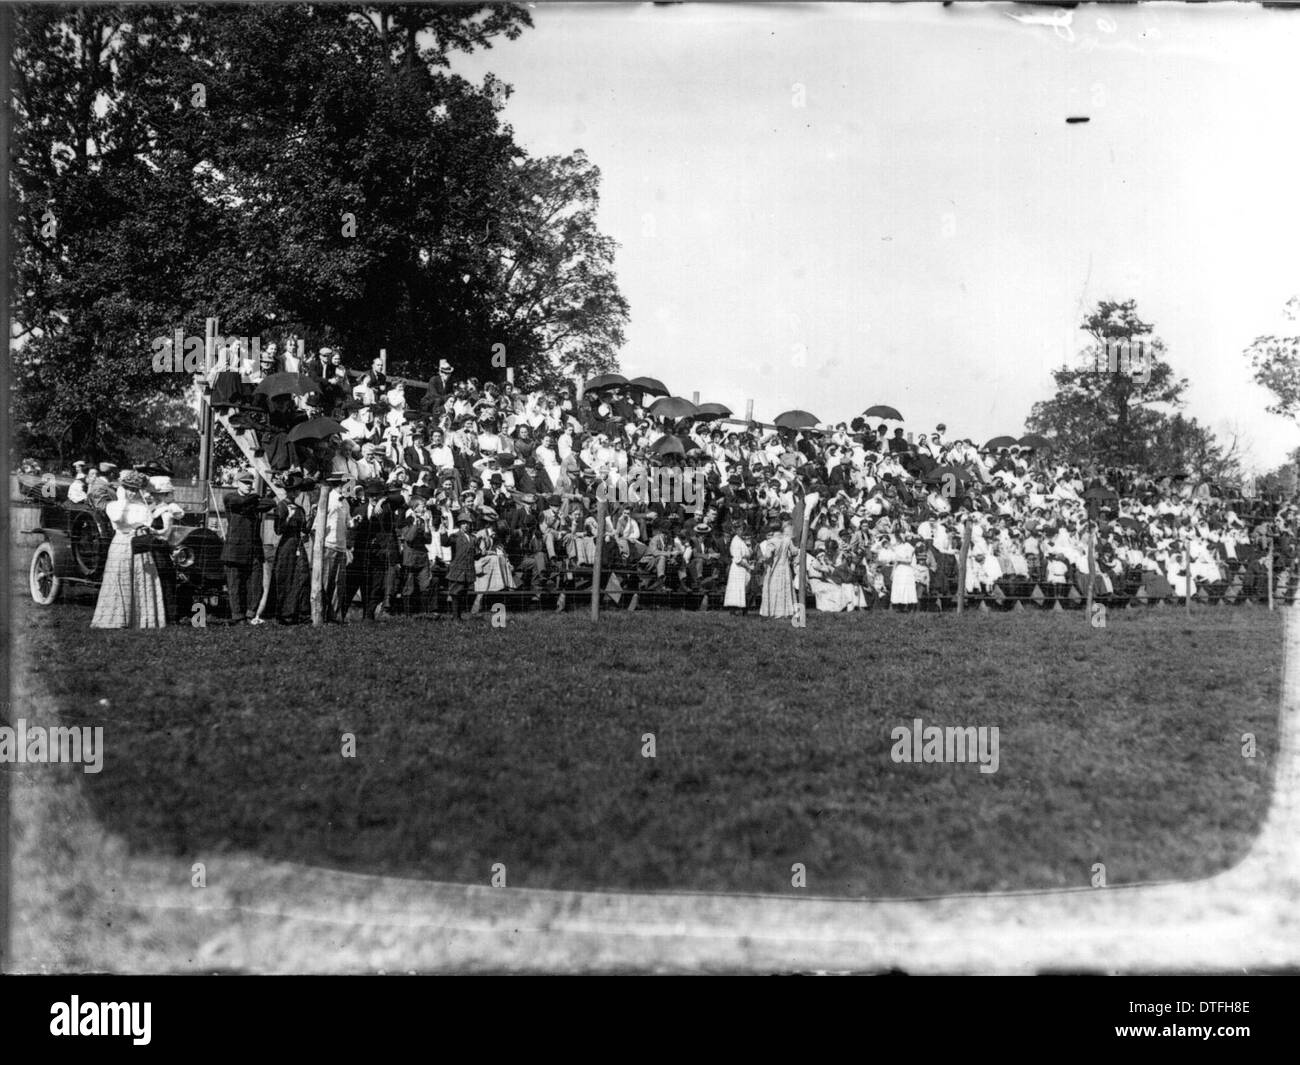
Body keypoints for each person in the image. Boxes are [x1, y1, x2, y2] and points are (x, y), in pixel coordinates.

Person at [91, 469, 168, 629]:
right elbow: (118, 518)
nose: (132, 493)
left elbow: (147, 523)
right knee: (119, 580)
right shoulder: (114, 506)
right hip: (121, 544)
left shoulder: (142, 507)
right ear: (122, 488)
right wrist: (123, 498)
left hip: (140, 547)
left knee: (142, 579)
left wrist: (148, 528)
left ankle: (141, 619)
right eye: (128, 489)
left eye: (134, 490)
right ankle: (117, 619)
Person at [222, 470, 275, 624]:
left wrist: (255, 500)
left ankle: (250, 614)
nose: (248, 486)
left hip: (253, 550)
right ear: (237, 484)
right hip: (234, 550)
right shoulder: (230, 498)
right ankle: (238, 617)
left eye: (250, 483)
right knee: (235, 585)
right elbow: (239, 502)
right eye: (245, 483)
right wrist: (256, 499)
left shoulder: (253, 501)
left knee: (255, 584)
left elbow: (270, 503)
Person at [269, 473, 314, 624]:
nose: (297, 492)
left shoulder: (300, 508)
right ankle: (284, 614)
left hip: (298, 544)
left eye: (298, 490)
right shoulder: (281, 506)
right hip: (286, 546)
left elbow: (304, 530)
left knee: (302, 577)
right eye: (294, 490)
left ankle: (301, 613)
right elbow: (278, 530)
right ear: (289, 491)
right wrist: (287, 518)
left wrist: (311, 518)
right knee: (286, 578)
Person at [759, 520, 797, 619]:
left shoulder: (771, 542)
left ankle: (774, 612)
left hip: (774, 568)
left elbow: (768, 556)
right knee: (785, 588)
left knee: (773, 589)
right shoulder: (787, 539)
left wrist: (764, 560)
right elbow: (794, 551)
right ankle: (786, 612)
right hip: (785, 567)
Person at [724, 523, 753, 615]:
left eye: (743, 529)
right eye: (739, 530)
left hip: (744, 567)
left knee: (745, 588)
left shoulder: (742, 540)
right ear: (736, 531)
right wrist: (749, 567)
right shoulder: (735, 541)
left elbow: (748, 554)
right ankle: (733, 611)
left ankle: (744, 610)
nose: (742, 531)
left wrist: (749, 546)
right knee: (736, 589)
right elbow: (738, 559)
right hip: (738, 568)